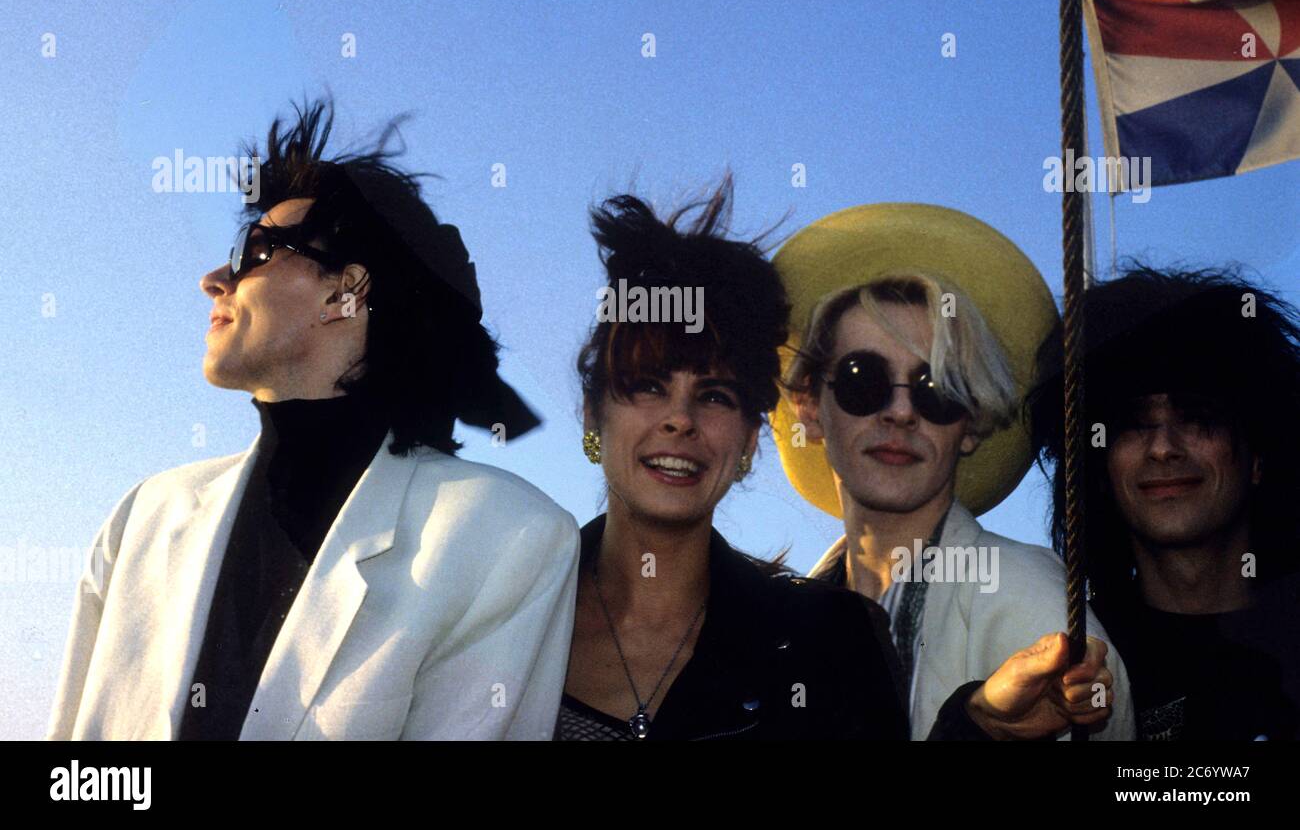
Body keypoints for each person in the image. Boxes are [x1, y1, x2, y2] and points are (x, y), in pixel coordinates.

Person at [47, 97, 579, 740]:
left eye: (255, 250)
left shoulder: (508, 537)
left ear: (343, 292)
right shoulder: (145, 515)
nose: (215, 278)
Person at [557, 176, 922, 741]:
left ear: (751, 439)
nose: (680, 419)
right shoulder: (505, 608)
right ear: (592, 416)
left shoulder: (831, 639)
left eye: (715, 395)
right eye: (649, 385)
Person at [775, 202, 1135, 740]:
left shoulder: (1022, 594)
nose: (900, 412)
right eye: (862, 379)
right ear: (809, 403)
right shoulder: (781, 622)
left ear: (971, 423)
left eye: (936, 390)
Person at [1029, 263, 1300, 740]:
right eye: (1131, 423)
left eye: (1197, 417)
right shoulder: (1068, 662)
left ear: (1259, 458)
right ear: (1100, 472)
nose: (1163, 447)